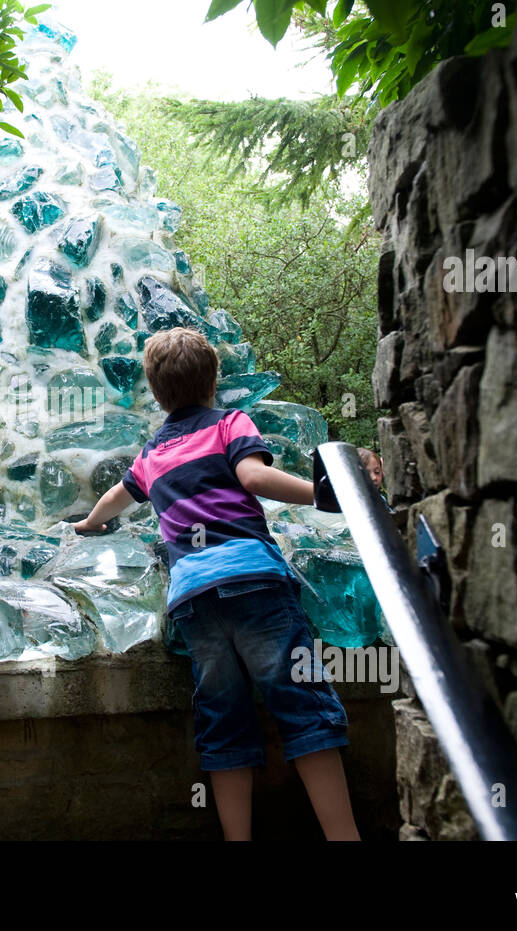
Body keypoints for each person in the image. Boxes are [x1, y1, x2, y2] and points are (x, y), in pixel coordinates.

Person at [74, 328, 360, 841]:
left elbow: (117, 497)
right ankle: (343, 834)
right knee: (304, 706)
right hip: (255, 583)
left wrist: (87, 526)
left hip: (194, 601)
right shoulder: (230, 423)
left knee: (223, 720)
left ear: (158, 393)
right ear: (214, 383)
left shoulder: (153, 451)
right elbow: (253, 478)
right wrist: (323, 494)